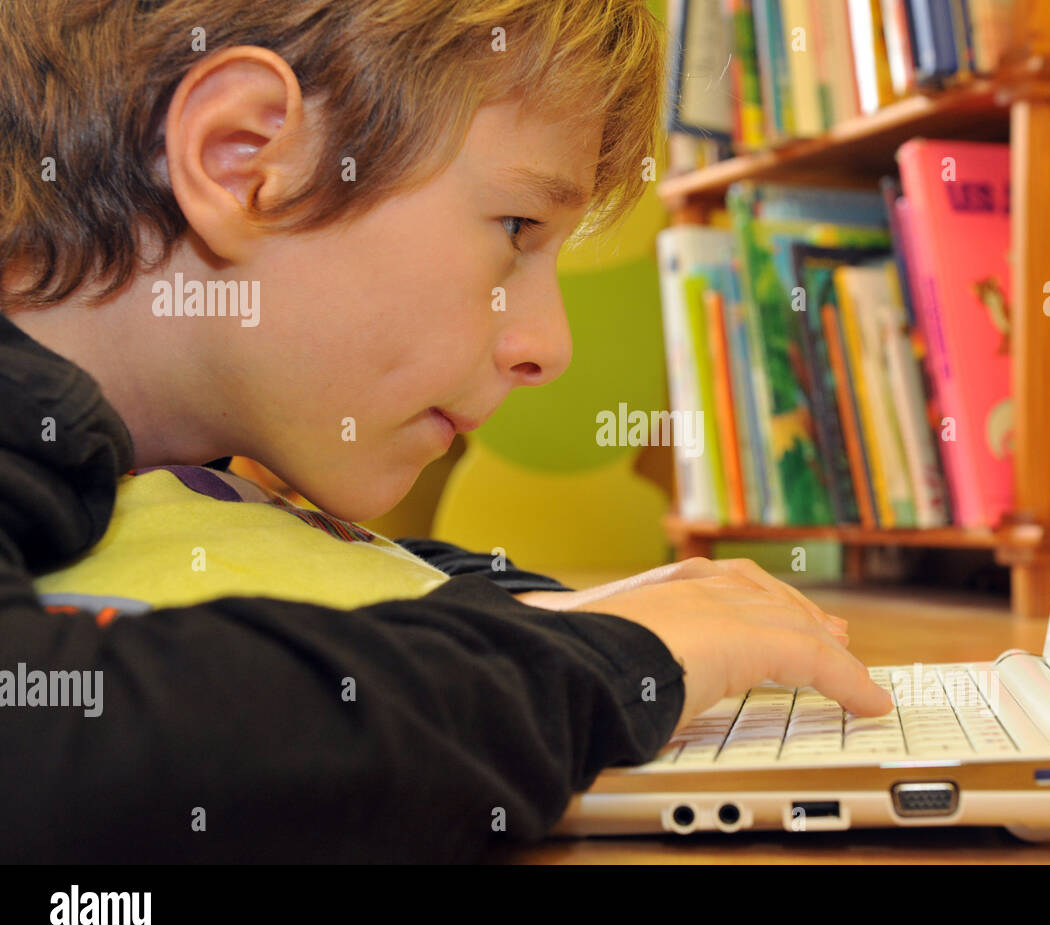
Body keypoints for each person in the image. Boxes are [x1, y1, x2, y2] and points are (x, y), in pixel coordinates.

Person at [0, 0, 892, 863]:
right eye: (517, 226)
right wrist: (604, 663)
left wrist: (552, 612)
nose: (550, 346)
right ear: (245, 160)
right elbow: (56, 761)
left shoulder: (167, 462)